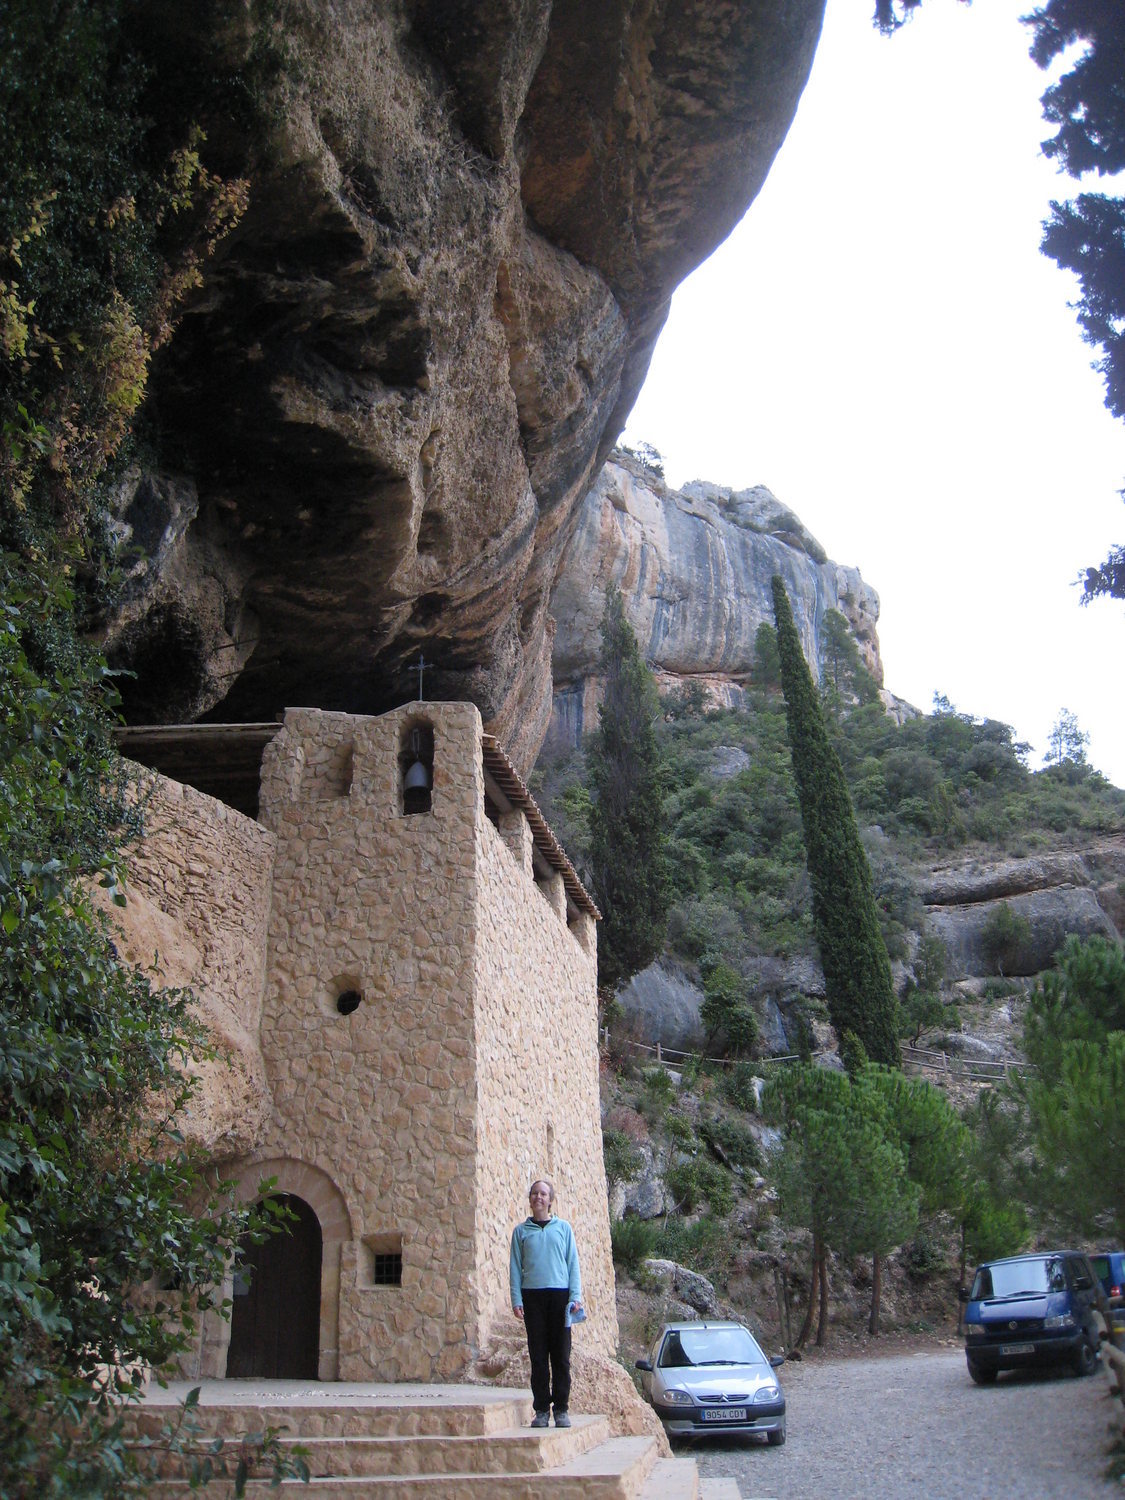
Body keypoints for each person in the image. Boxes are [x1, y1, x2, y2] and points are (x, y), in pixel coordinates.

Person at [509, 1178, 583, 1428]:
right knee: (538, 1356)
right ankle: (541, 1410)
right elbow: (515, 1269)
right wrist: (516, 1299)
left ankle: (561, 1409)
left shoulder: (564, 1229)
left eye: (543, 1194)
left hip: (560, 1296)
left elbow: (573, 1264)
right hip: (533, 1298)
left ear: (550, 1200)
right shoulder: (521, 1232)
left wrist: (575, 1297)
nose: (538, 1197)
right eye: (534, 1193)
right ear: (530, 1200)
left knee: (561, 1355)